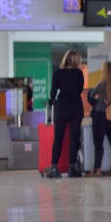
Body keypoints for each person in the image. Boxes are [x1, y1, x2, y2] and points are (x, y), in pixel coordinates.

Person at [44, 49, 84, 178]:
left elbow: (53, 92)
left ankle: (54, 168)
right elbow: (79, 89)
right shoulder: (79, 73)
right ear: (76, 60)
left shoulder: (58, 73)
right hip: (76, 107)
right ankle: (72, 168)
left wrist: (50, 102)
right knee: (74, 138)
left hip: (61, 107)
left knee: (58, 138)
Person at [87, 61, 111, 177]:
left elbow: (91, 96)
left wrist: (97, 98)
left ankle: (97, 169)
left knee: (98, 144)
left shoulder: (102, 84)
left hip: (100, 115)